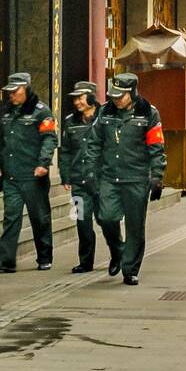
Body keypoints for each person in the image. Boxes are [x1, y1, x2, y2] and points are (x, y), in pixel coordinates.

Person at [84, 72, 166, 286]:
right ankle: (117, 251)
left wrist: (157, 176)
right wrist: (91, 170)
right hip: (110, 176)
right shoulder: (105, 112)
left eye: (120, 96)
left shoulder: (148, 113)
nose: (116, 100)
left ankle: (130, 269)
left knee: (135, 226)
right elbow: (94, 143)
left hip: (137, 178)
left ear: (132, 93)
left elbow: (156, 147)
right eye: (113, 96)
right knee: (106, 217)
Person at [0, 72, 58, 273]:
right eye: (9, 92)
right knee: (11, 216)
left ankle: (44, 256)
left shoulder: (41, 112)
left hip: (33, 175)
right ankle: (6, 260)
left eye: (15, 91)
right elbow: (3, 142)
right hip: (11, 175)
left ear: (26, 88)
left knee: (39, 217)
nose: (12, 95)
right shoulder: (8, 112)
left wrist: (44, 163)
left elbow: (49, 139)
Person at [59, 81, 122, 275]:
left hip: (103, 181)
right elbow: (65, 152)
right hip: (79, 181)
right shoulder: (70, 121)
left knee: (106, 220)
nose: (77, 102)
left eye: (80, 97)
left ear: (91, 97)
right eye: (75, 98)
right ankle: (85, 262)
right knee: (82, 221)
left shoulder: (106, 118)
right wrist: (66, 176)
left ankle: (118, 254)